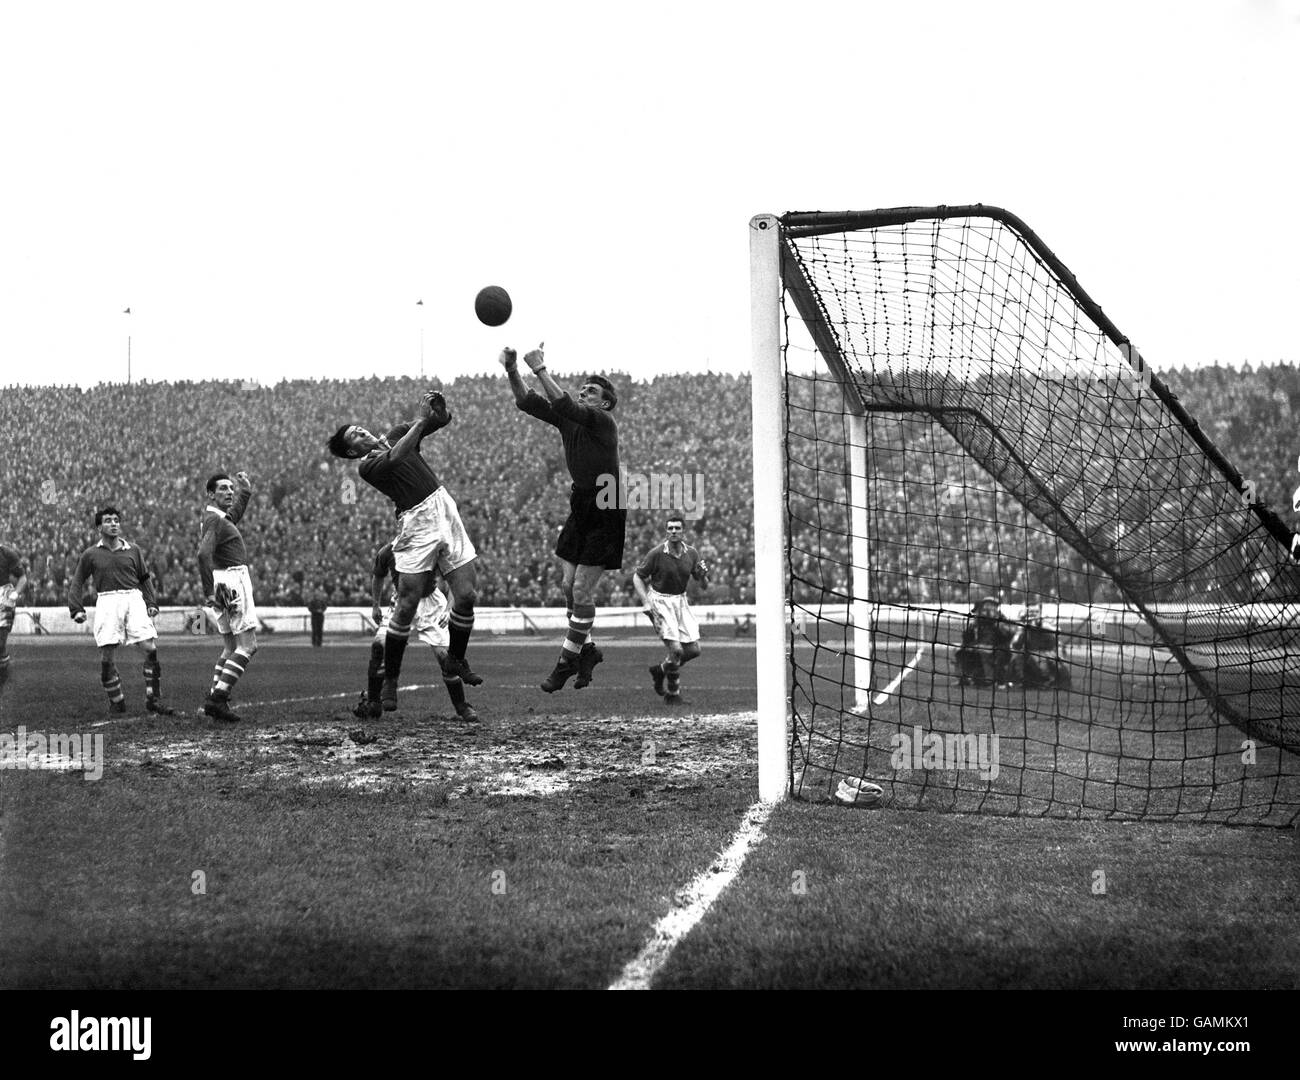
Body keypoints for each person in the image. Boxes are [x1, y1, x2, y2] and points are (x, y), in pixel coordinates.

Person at [327, 390, 481, 710]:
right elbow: (397, 456)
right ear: (353, 451)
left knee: (466, 596)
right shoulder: (367, 467)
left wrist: (439, 410)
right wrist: (422, 420)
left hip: (443, 505)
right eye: (354, 434)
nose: (361, 430)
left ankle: (455, 660)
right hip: (417, 519)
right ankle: (391, 682)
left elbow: (437, 422)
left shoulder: (398, 432)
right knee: (408, 602)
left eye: (359, 426)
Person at [500, 344, 625, 692]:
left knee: (583, 589)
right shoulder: (569, 417)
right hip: (582, 501)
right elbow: (528, 402)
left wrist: (541, 369)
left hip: (608, 502)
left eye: (593, 391)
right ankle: (587, 651)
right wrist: (512, 370)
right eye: (583, 387)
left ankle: (565, 661)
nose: (585, 391)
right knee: (568, 587)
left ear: (605, 403)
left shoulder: (603, 421)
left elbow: (563, 402)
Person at [351, 539, 477, 722]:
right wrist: (375, 605)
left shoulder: (433, 549)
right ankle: (373, 702)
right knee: (379, 645)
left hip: (431, 604)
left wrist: (449, 608)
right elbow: (377, 575)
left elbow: (453, 579)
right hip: (402, 600)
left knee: (445, 657)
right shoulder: (387, 551)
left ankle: (462, 706)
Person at [67, 508, 177, 716]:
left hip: (133, 599)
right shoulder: (90, 554)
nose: (114, 524)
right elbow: (77, 581)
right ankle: (117, 701)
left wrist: (151, 601)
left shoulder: (133, 549)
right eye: (108, 521)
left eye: (116, 520)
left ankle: (154, 699)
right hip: (107, 602)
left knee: (149, 647)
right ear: (99, 527)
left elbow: (145, 579)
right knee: (107, 656)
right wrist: (76, 608)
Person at [197, 471, 260, 722]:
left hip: (223, 579)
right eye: (223, 489)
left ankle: (214, 695)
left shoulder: (216, 518)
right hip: (232, 580)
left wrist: (246, 494)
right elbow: (203, 554)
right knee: (248, 645)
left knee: (230, 646)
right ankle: (219, 698)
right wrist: (208, 591)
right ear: (211, 494)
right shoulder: (215, 520)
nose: (229, 492)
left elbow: (232, 518)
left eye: (231, 488)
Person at [633, 515, 710, 705]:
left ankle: (659, 670)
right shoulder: (656, 553)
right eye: (670, 528)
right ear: (666, 531)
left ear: (684, 531)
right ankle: (673, 695)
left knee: (693, 650)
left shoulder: (692, 553)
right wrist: (646, 602)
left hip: (680, 600)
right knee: (676, 649)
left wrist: (704, 576)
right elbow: (637, 576)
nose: (674, 531)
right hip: (660, 601)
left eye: (677, 528)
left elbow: (704, 585)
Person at [1009, 603, 1071, 690]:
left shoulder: (1047, 622)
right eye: (1031, 611)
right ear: (1027, 612)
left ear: (1040, 612)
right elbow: (1015, 644)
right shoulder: (1023, 624)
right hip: (1031, 652)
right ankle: (1042, 682)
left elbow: (1057, 632)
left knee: (1061, 665)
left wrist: (1041, 625)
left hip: (1049, 651)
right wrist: (1024, 628)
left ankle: (1060, 683)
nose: (1033, 613)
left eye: (1036, 611)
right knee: (1037, 663)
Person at [954, 595, 1014, 687]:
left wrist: (996, 623)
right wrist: (972, 629)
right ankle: (963, 678)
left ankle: (990, 680)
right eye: (986, 606)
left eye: (991, 606)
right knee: (961, 652)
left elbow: (1008, 635)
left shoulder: (1002, 619)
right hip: (979, 649)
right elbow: (966, 639)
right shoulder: (977, 621)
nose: (988, 608)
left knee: (986, 653)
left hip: (998, 650)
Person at [0, 541, 28, 695]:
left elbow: (23, 577)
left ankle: (3, 678)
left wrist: (15, 593)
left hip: (3, 596)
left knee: (0, 641)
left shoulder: (6, 553)